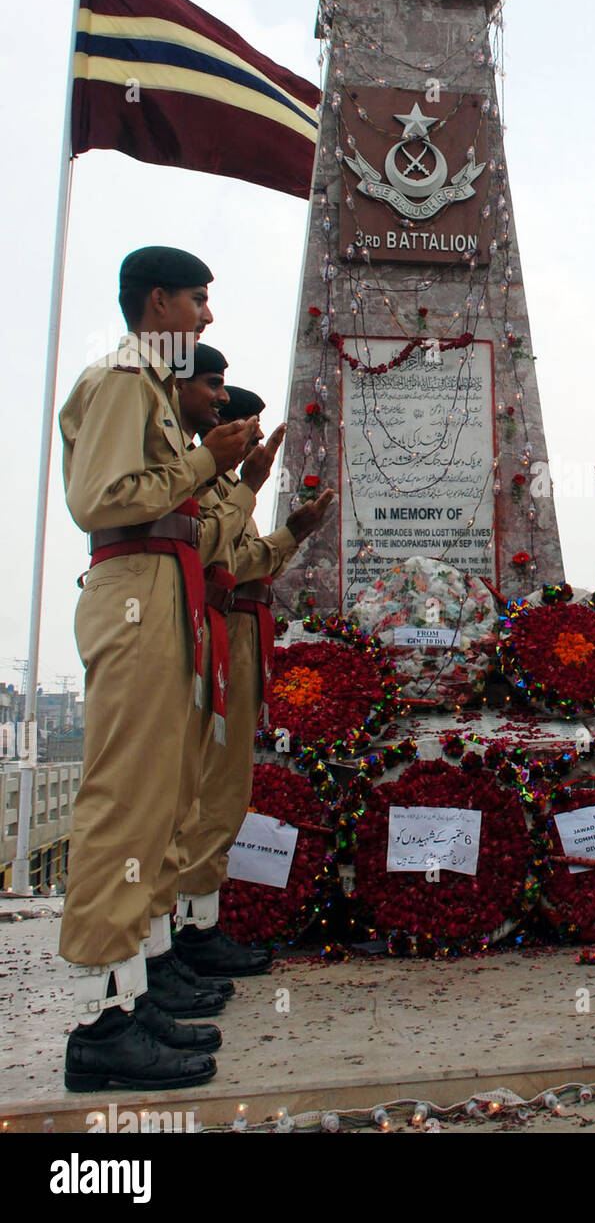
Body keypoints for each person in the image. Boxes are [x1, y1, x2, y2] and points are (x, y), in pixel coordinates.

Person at [58, 246, 256, 1091]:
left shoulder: (148, 393)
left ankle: (131, 993)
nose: (207, 317)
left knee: (162, 801)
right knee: (125, 803)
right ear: (158, 302)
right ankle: (100, 1024)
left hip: (165, 595)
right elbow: (100, 499)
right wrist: (208, 460)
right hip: (136, 594)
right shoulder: (120, 382)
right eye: (198, 301)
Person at [171, 380, 335, 977]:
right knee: (205, 788)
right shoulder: (207, 484)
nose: (259, 442)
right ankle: (183, 935)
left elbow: (248, 559)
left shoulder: (227, 488)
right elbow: (226, 562)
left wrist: (294, 532)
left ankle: (197, 926)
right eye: (249, 428)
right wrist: (254, 492)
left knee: (226, 785)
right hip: (217, 627)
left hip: (241, 629)